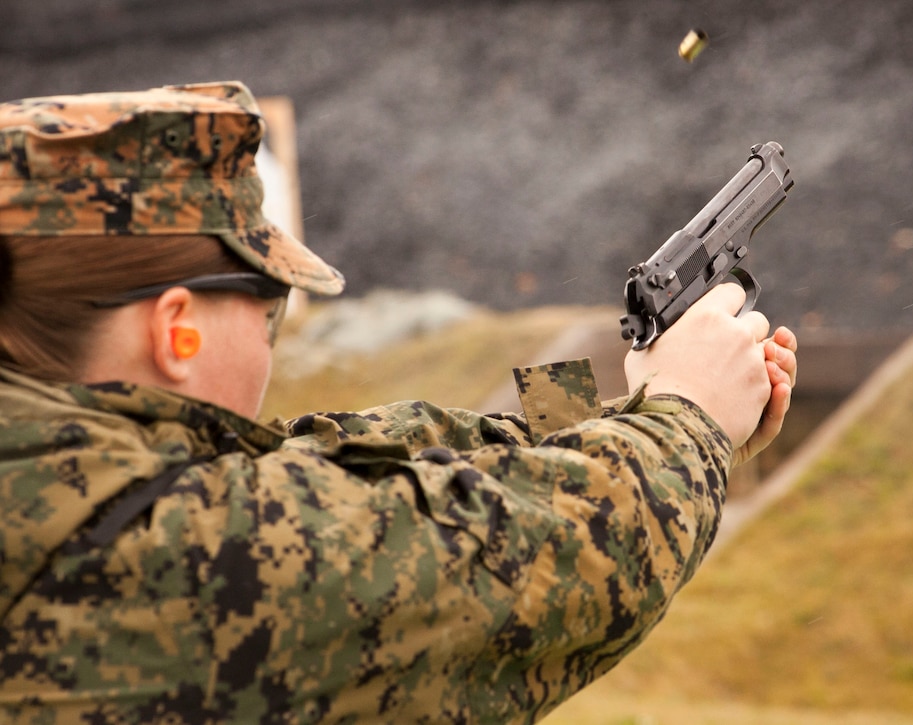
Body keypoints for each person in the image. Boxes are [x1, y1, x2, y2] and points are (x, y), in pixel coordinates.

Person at [0, 81, 797, 723]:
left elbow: (354, 456)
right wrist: (687, 420)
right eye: (267, 306)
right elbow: (531, 559)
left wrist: (626, 407)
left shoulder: (55, 468)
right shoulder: (152, 543)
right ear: (177, 330)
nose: (275, 334)